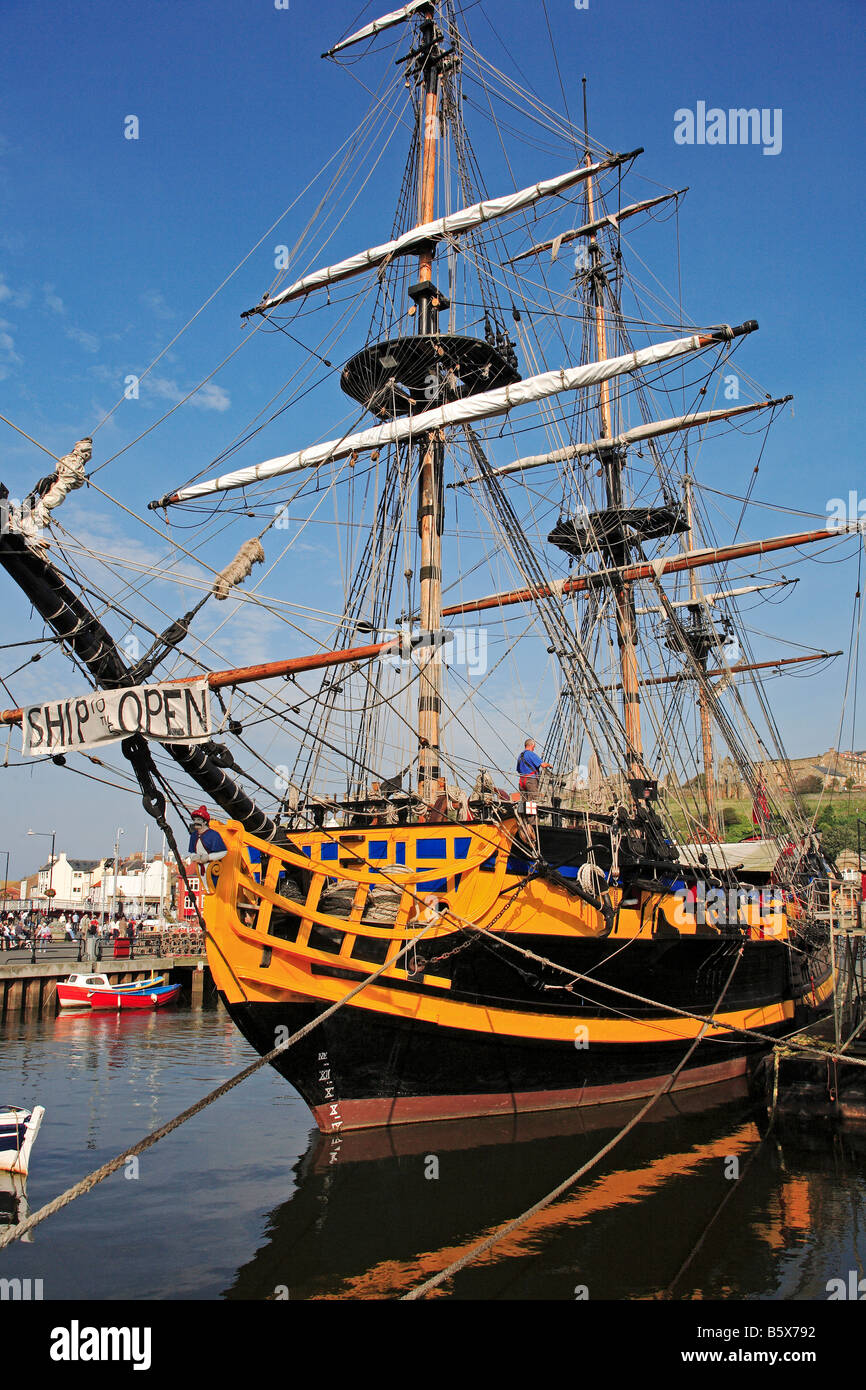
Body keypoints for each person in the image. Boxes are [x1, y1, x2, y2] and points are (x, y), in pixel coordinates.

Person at [188, 807, 228, 875]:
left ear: (205, 822)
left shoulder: (213, 834)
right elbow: (192, 851)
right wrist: (194, 856)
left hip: (213, 868)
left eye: (199, 820)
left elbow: (223, 852)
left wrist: (208, 857)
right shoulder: (194, 835)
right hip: (199, 868)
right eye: (194, 820)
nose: (196, 822)